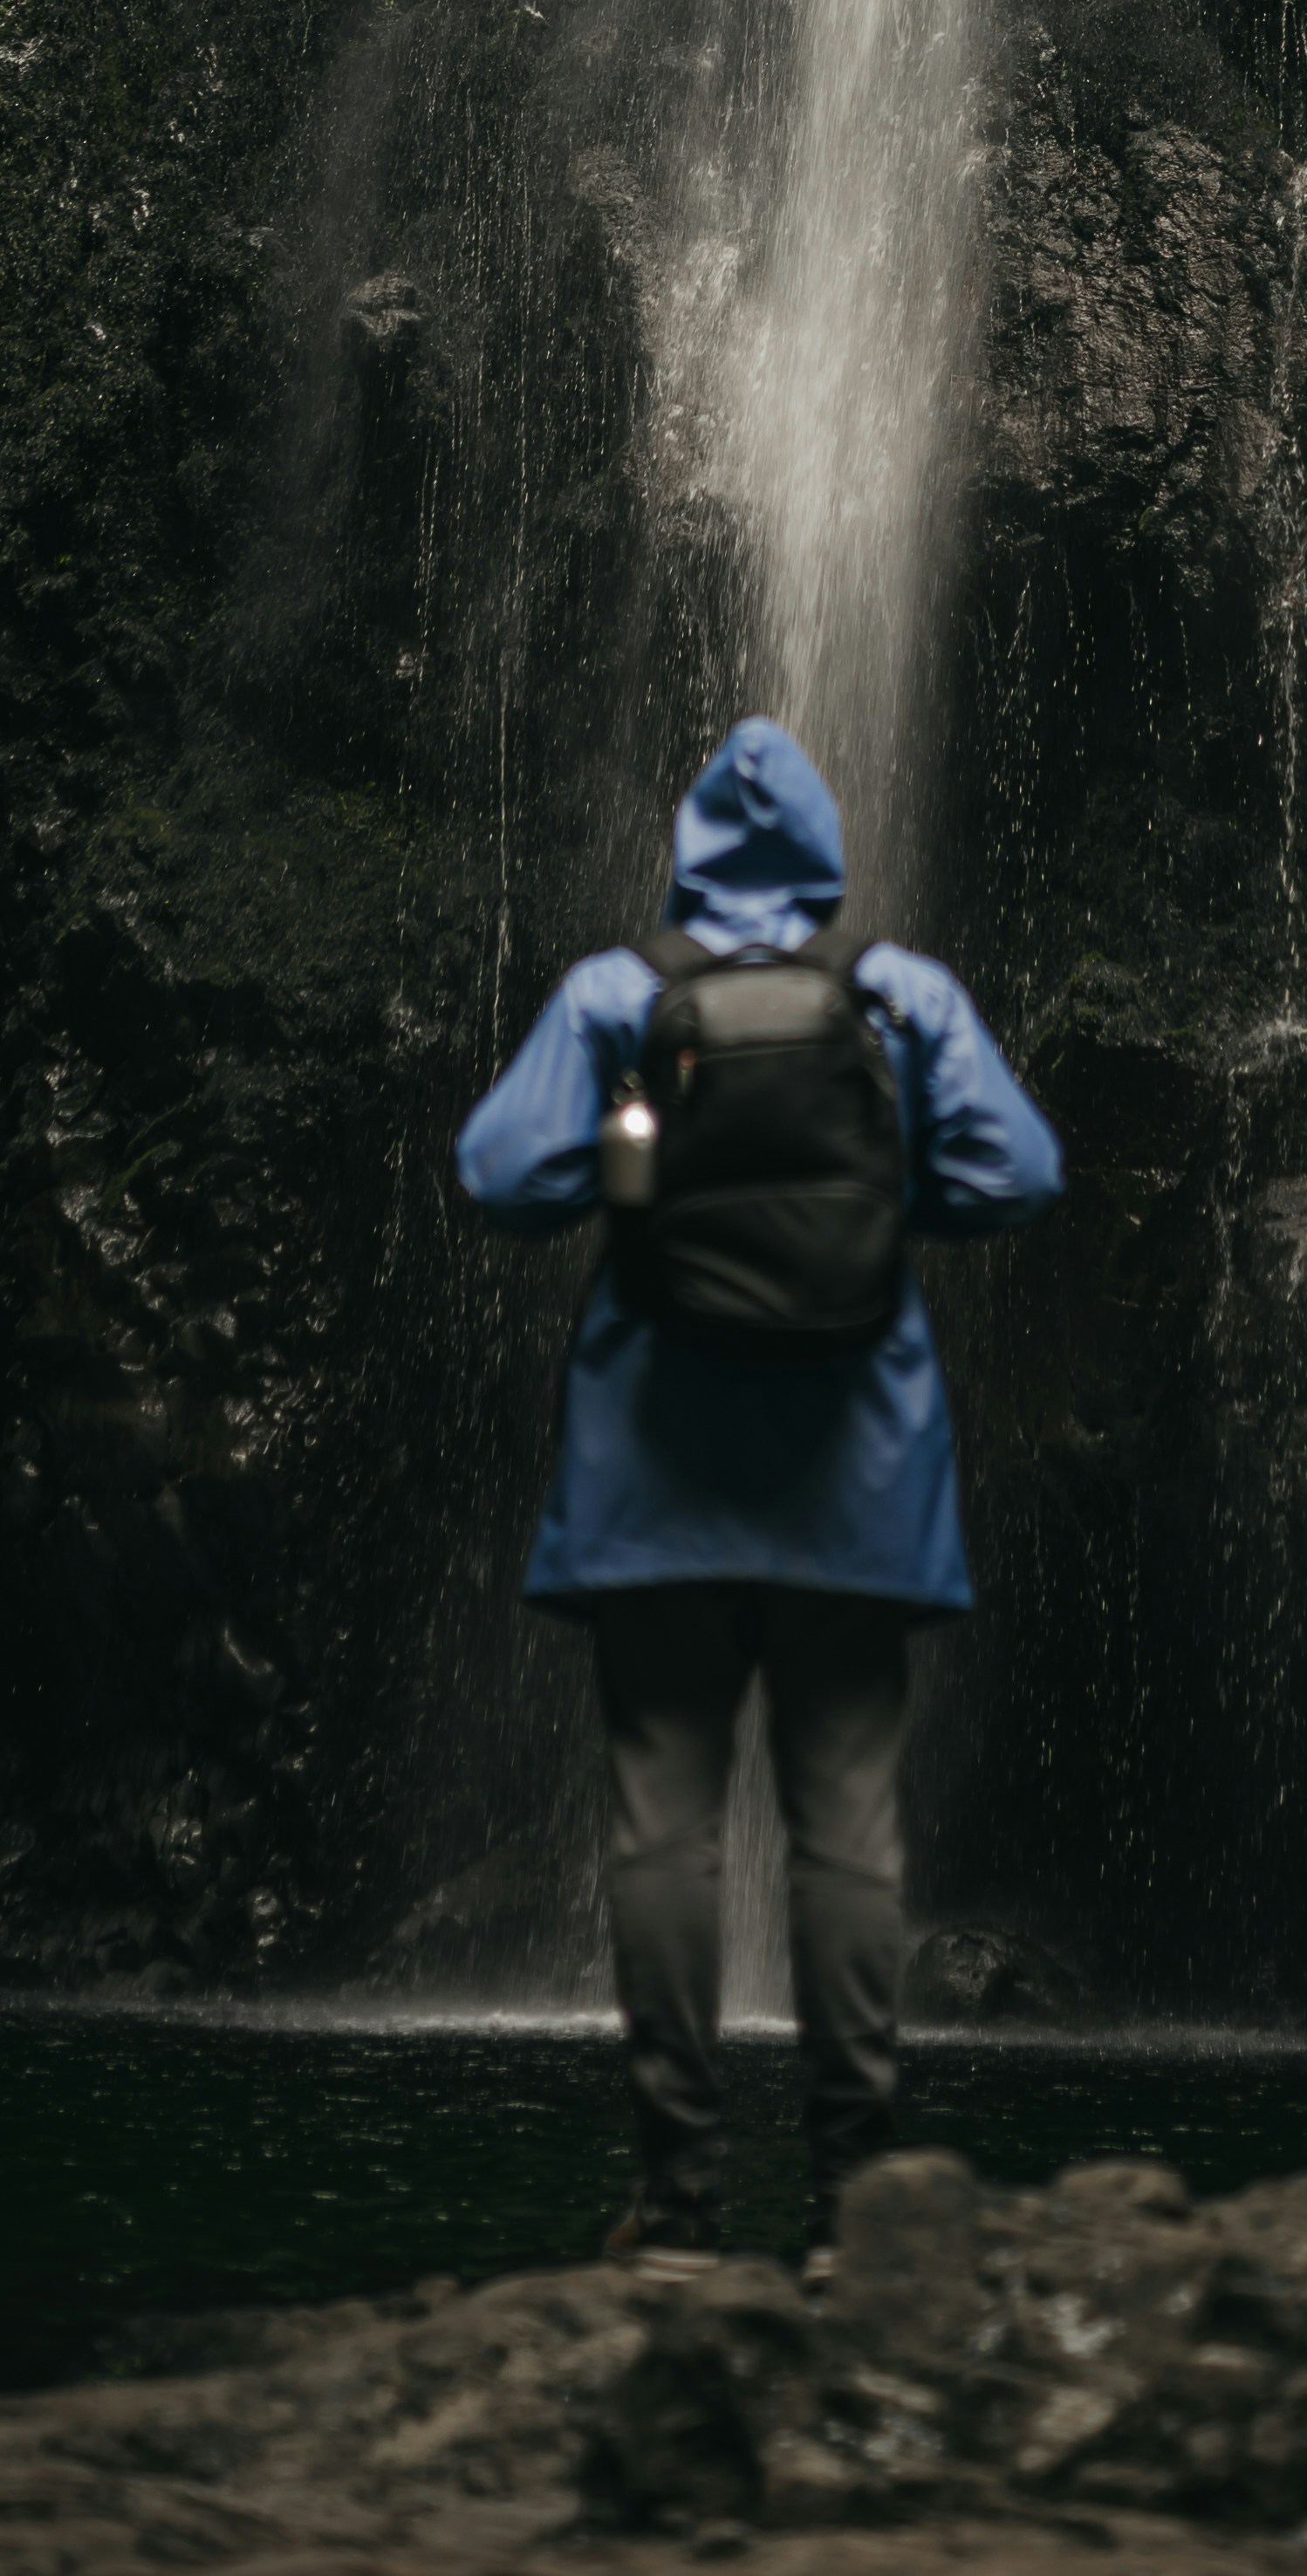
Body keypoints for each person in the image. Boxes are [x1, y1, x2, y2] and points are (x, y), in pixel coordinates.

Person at [455, 713, 1064, 2270]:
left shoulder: (617, 996)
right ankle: (855, 2203)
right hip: (855, 1478)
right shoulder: (896, 996)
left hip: (653, 1476)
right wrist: (873, 1190)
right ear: (823, 853)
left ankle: (675, 2204)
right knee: (847, 1836)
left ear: (687, 848)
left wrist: (634, 1153)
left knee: (662, 1835)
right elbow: (1020, 1174)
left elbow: (497, 1179)